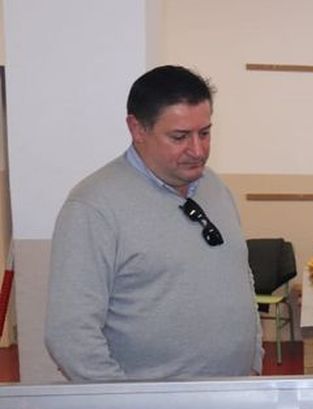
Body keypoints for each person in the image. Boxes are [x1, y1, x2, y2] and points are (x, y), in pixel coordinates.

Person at [45, 65, 261, 381]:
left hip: (234, 394)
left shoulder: (216, 188)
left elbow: (241, 277)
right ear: (137, 129)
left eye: (204, 133)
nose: (198, 150)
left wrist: (253, 360)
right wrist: (125, 403)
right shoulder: (93, 207)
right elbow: (70, 334)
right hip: (150, 408)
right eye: (179, 137)